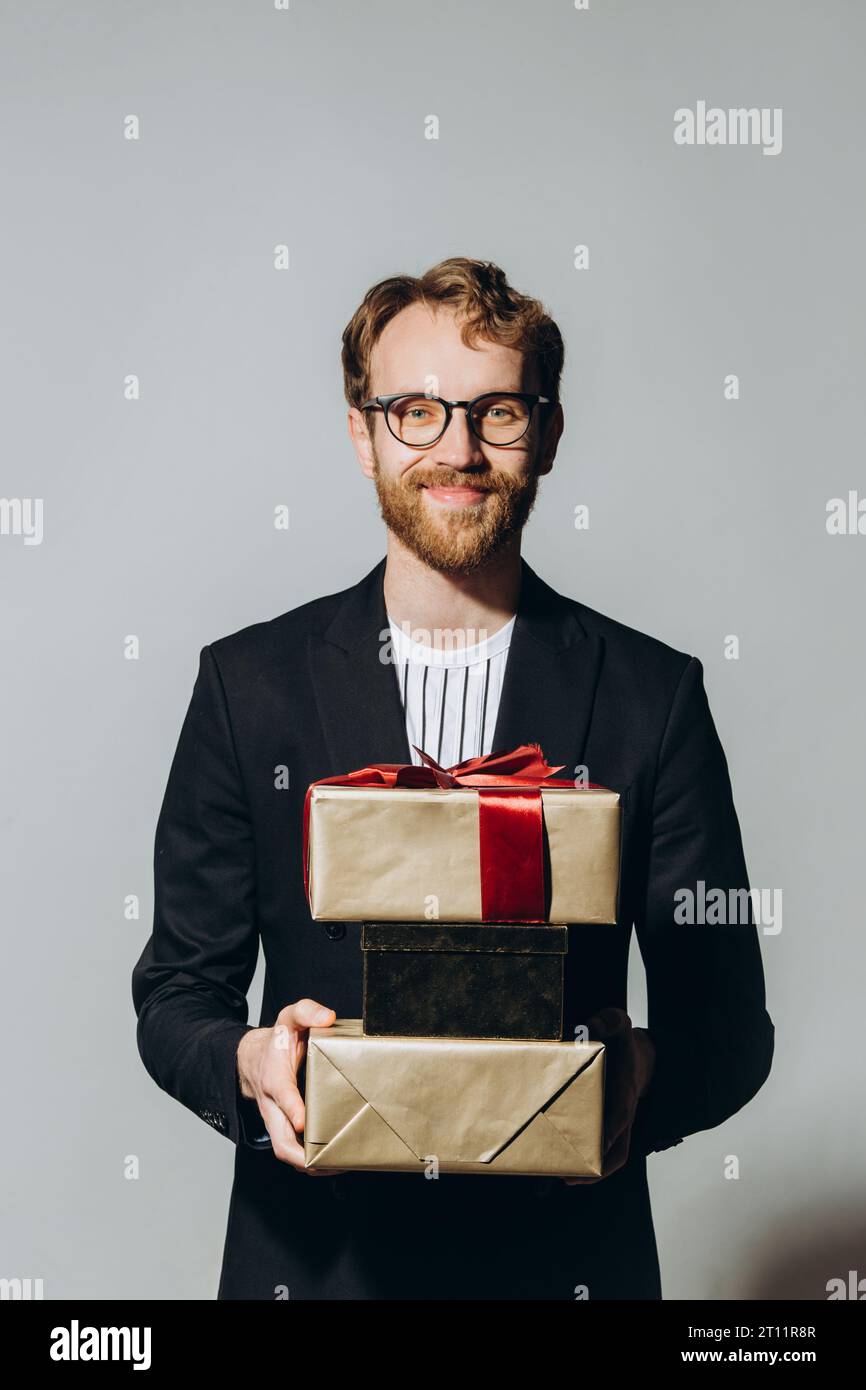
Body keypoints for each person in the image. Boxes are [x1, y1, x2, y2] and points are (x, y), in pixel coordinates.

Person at [131, 256, 774, 1300]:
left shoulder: (649, 697)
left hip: (563, 1265)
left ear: (549, 434)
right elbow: (175, 995)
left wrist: (636, 1074)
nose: (457, 451)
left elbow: (729, 1032)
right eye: (416, 410)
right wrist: (250, 1063)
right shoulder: (249, 688)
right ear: (362, 432)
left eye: (496, 413)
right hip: (315, 1264)